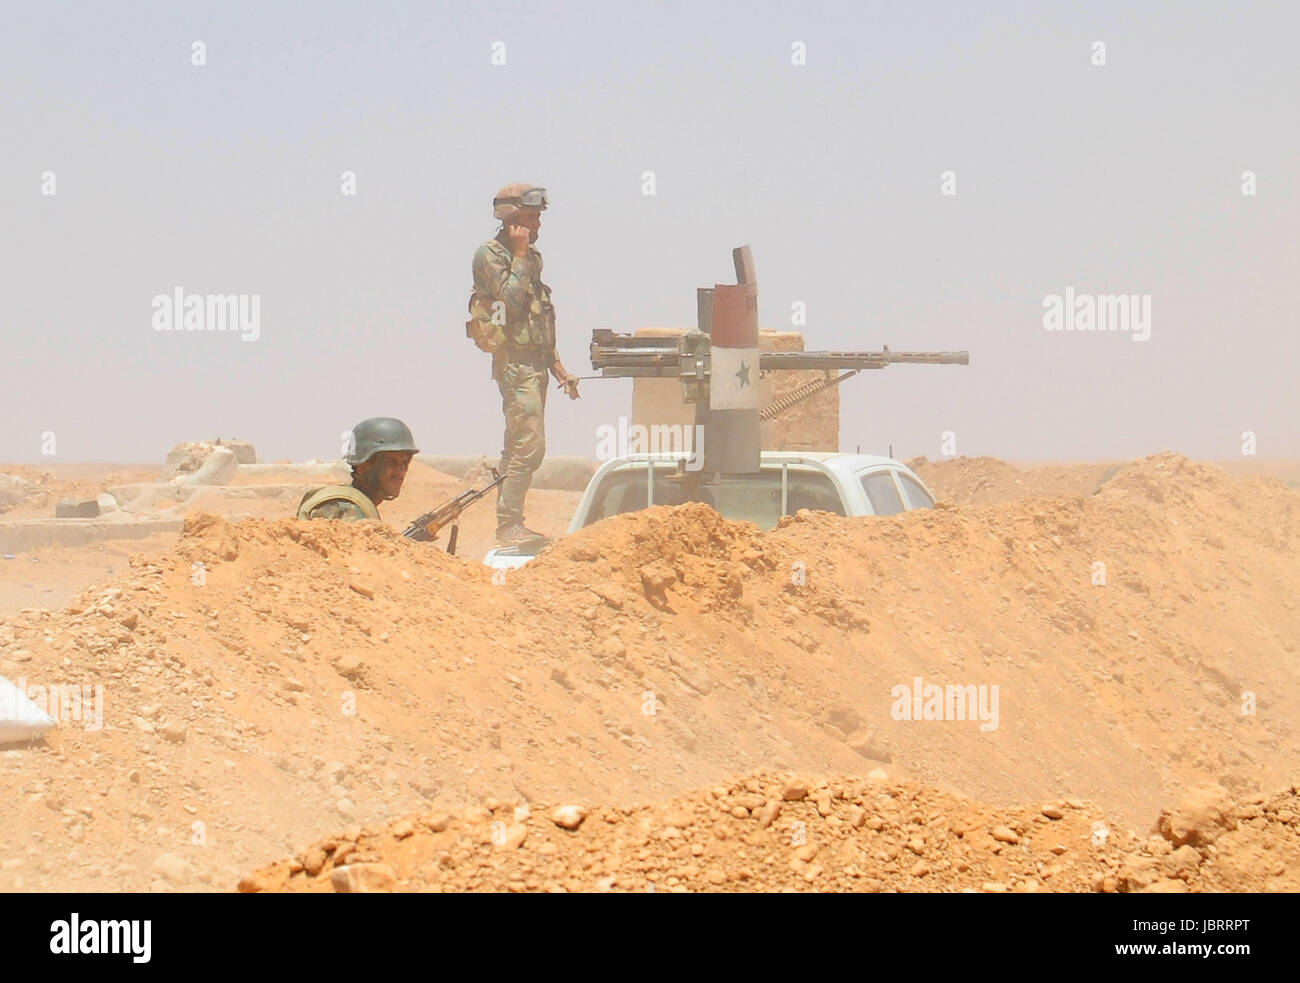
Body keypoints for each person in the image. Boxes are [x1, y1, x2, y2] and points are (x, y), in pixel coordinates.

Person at [469, 183, 579, 546]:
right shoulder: (490, 255)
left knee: (518, 446)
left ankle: (509, 522)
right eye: (531, 217)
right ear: (511, 220)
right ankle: (508, 525)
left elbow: (539, 317)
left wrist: (558, 367)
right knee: (530, 447)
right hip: (515, 365)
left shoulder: (531, 257)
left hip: (535, 364)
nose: (538, 225)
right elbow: (511, 303)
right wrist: (518, 253)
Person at [296, 417, 419, 521]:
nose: (401, 471)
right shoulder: (345, 508)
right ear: (363, 466)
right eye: (392, 463)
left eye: (404, 463)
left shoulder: (358, 506)